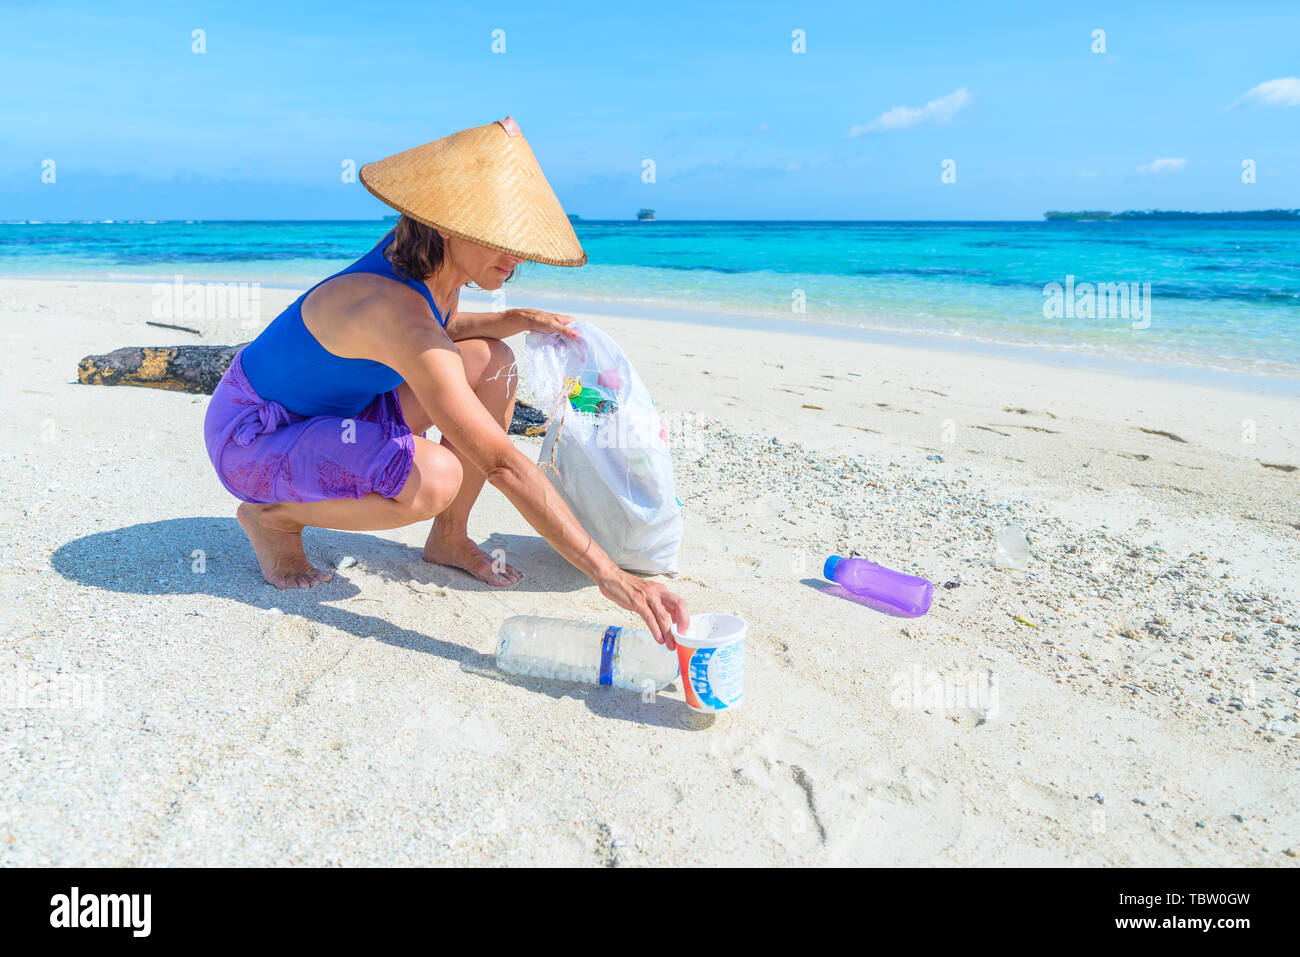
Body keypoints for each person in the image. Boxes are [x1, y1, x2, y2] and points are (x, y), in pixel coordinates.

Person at [203, 117, 687, 646]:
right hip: (254, 438)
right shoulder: (397, 310)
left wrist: (516, 318)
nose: (516, 256)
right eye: (499, 240)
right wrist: (610, 575)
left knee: (494, 360)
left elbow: (435, 331)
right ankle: (274, 520)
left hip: (338, 412)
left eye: (517, 240)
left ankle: (449, 539)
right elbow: (500, 461)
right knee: (434, 476)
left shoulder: (426, 263)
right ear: (445, 226)